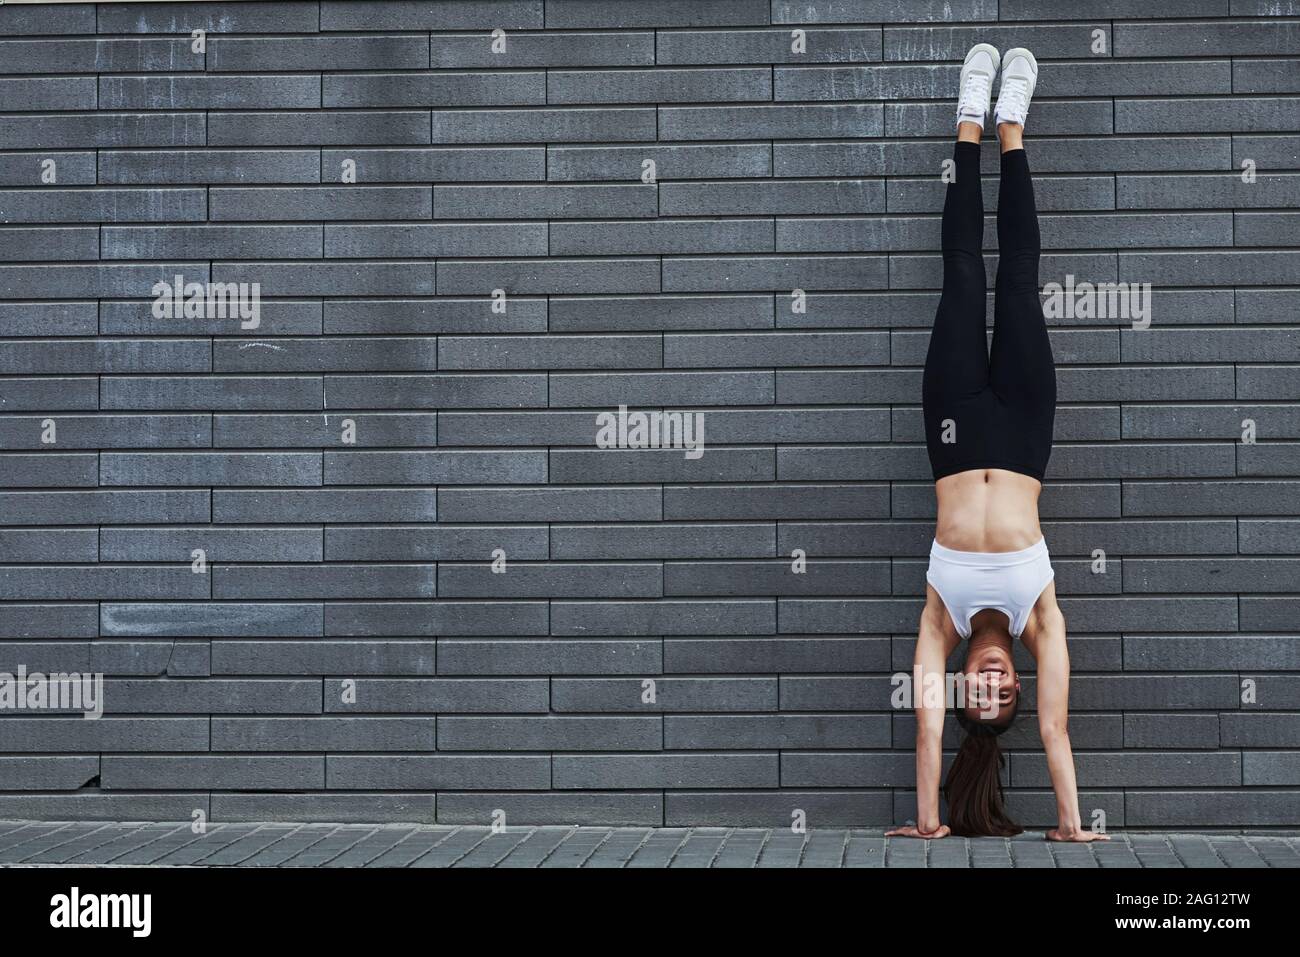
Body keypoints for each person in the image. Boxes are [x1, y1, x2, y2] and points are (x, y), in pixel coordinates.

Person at [886, 45, 1107, 842]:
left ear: (957, 686)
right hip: (1022, 422)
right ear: (1016, 680)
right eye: (1001, 696)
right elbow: (1055, 731)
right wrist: (1072, 826)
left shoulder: (938, 621)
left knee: (960, 276)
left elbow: (926, 733)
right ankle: (1012, 124)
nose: (987, 690)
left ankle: (968, 122)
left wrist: (926, 821)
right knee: (1017, 274)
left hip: (950, 426)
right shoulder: (1038, 617)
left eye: (973, 699)